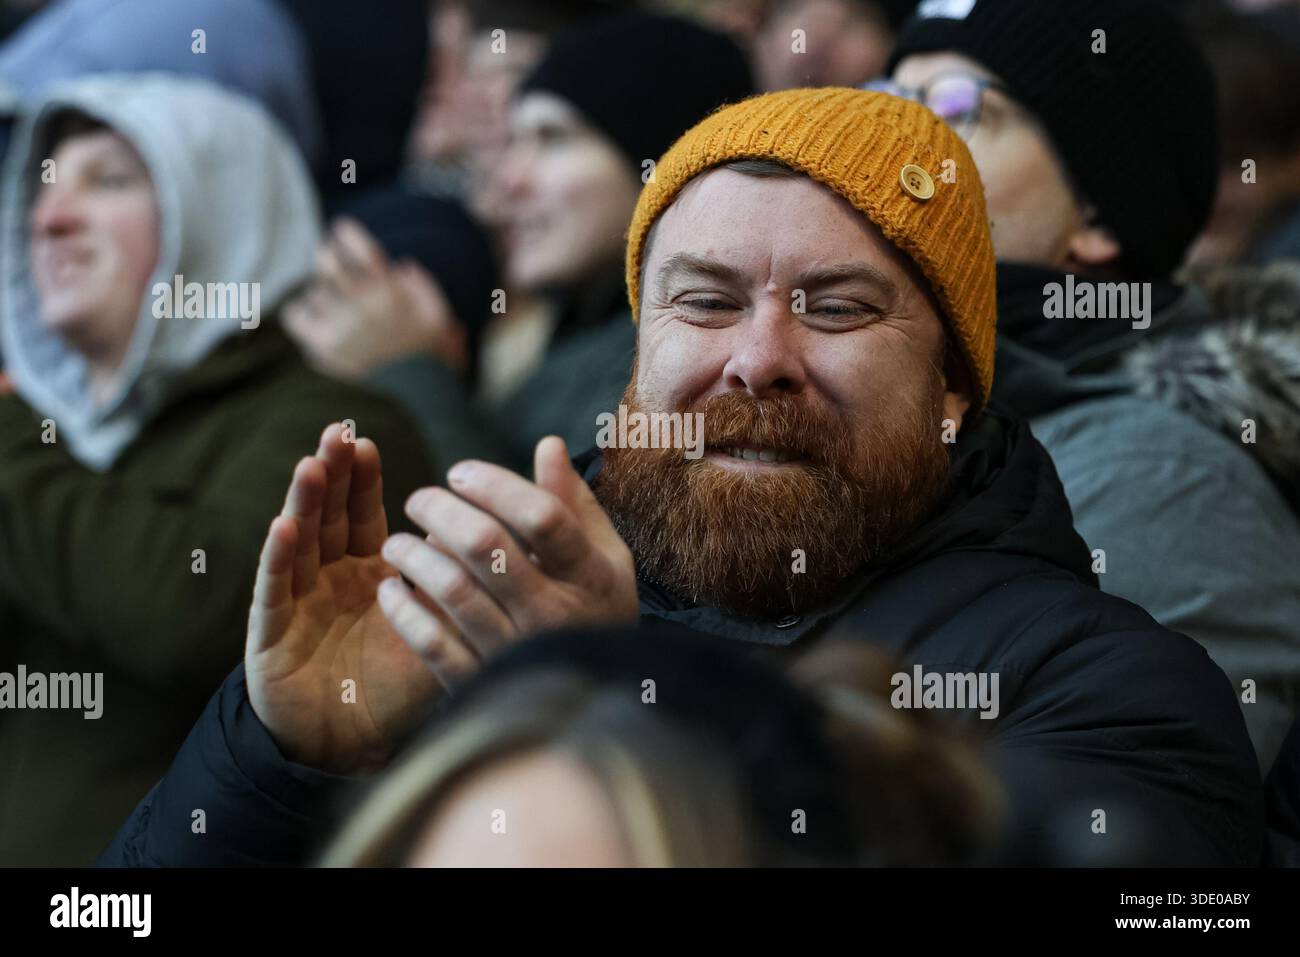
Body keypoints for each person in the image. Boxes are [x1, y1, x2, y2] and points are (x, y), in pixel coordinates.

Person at [103, 88, 1261, 868]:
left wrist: (626, 693)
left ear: (955, 386)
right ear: (637, 351)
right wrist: (281, 755)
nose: (757, 360)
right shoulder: (467, 613)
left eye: (840, 307)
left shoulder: (1118, 697)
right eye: (704, 302)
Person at [0, 74, 434, 865]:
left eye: (111, 181)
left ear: (223, 205)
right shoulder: (43, 440)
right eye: (45, 190)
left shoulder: (333, 422)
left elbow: (193, 616)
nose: (49, 217)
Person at [887, 0, 1300, 773]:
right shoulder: (876, 381)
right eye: (890, 100)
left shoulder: (1166, 480)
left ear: (1098, 219)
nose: (891, 142)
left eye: (954, 107)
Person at [295, 11, 755, 473]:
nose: (507, 181)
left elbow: (537, 538)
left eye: (552, 138)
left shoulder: (679, 358)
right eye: (513, 142)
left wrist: (406, 368)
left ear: (666, 156)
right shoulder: (579, 335)